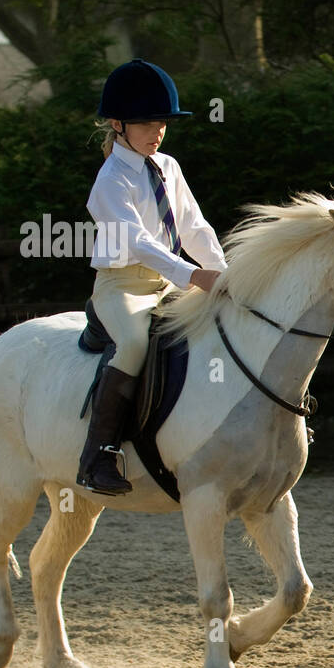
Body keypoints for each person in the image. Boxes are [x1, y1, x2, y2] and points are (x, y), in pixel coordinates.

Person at [77, 58, 227, 495]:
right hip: (121, 285)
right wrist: (193, 276)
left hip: (167, 282)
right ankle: (98, 456)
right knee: (135, 343)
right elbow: (138, 242)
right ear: (118, 124)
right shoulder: (110, 180)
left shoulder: (169, 167)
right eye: (146, 122)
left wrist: (223, 274)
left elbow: (195, 227)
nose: (157, 130)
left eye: (162, 121)